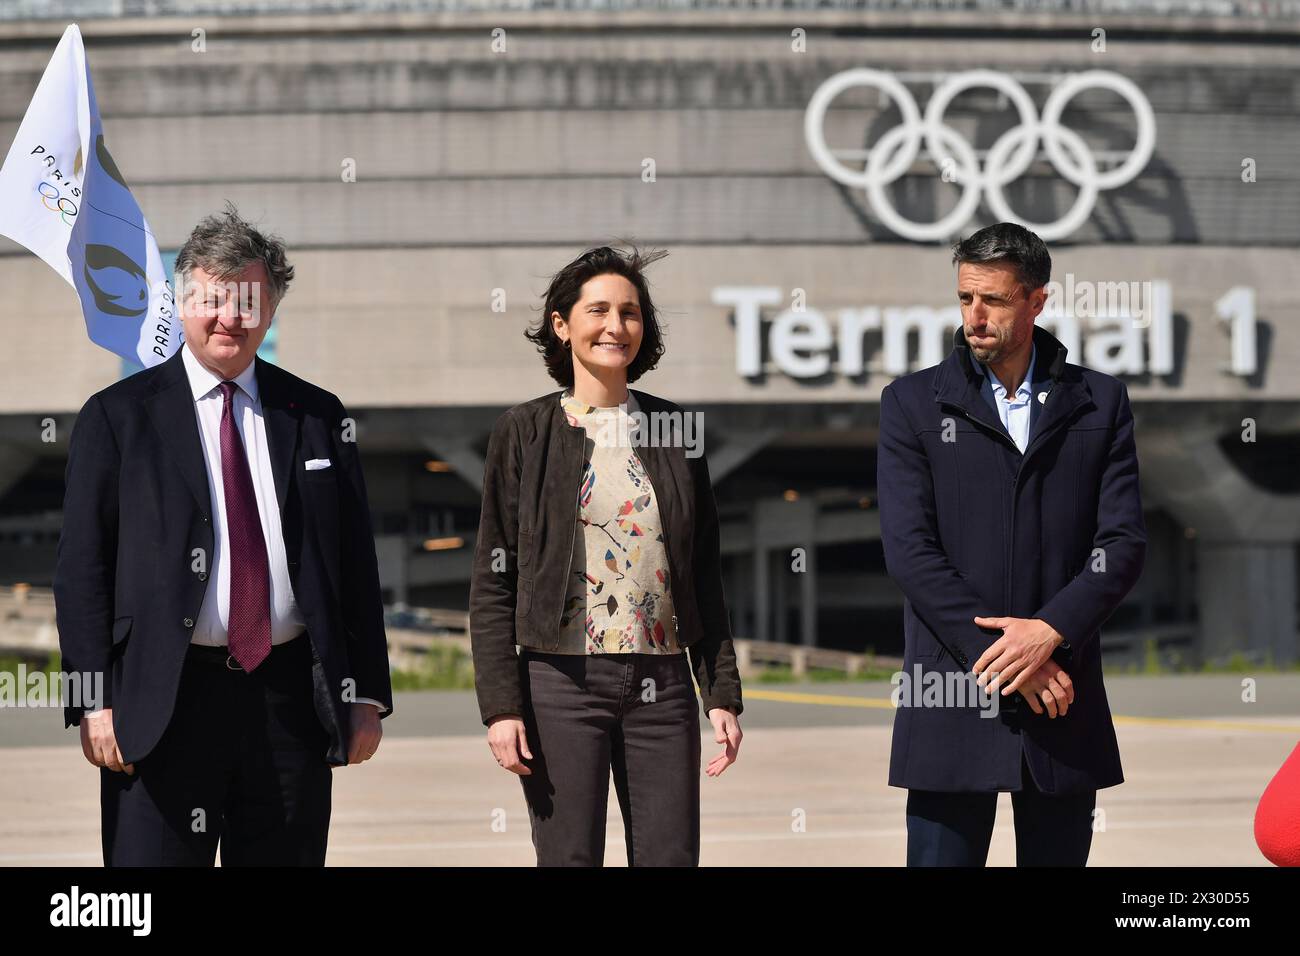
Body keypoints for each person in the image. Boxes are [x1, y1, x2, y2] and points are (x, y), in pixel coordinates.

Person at [54, 203, 393, 866]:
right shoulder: (117, 418)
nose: (229, 319)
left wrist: (367, 695)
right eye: (213, 300)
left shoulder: (318, 417)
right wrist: (91, 700)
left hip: (288, 704)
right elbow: (81, 573)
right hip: (160, 707)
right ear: (181, 303)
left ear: (270, 312)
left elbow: (354, 568)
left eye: (248, 302)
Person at [877, 222, 1147, 866]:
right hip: (953, 692)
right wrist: (1007, 657)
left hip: (1061, 697)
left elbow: (1122, 542)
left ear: (1036, 301)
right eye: (966, 297)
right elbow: (911, 552)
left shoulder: (1099, 402)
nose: (975, 316)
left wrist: (1050, 631)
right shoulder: (913, 404)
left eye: (994, 300)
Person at [469, 245, 743, 866]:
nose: (615, 326)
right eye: (598, 311)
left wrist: (720, 691)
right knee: (569, 859)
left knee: (670, 858)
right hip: (560, 685)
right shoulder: (524, 432)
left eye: (630, 312)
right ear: (562, 326)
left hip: (663, 684)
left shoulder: (677, 431)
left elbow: (703, 574)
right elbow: (494, 581)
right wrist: (502, 706)